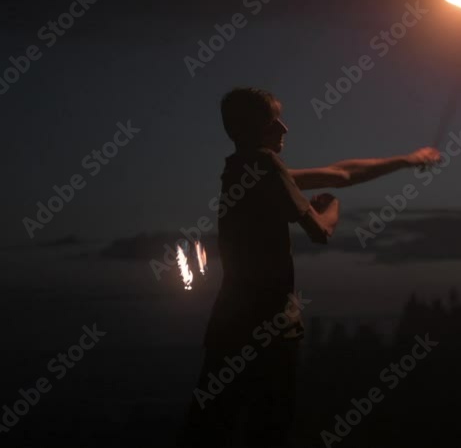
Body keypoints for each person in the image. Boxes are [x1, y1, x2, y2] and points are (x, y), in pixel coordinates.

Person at [177, 87, 440, 447]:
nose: (285, 128)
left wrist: (407, 159)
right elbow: (320, 231)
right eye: (275, 121)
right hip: (271, 330)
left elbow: (339, 172)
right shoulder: (265, 165)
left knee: (210, 426)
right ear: (253, 128)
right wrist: (330, 210)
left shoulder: (241, 168)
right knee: (269, 428)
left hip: (229, 327)